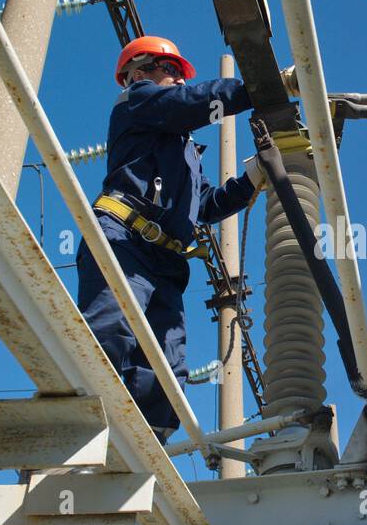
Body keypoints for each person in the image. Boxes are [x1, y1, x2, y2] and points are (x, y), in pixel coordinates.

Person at [76, 35, 269, 443]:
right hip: (124, 238)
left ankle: (146, 449)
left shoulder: (185, 153)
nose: (179, 80)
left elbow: (206, 207)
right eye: (171, 70)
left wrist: (251, 180)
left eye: (181, 74)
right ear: (137, 72)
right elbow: (186, 105)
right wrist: (264, 87)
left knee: (166, 365)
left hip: (166, 262)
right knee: (112, 332)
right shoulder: (136, 102)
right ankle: (84, 432)